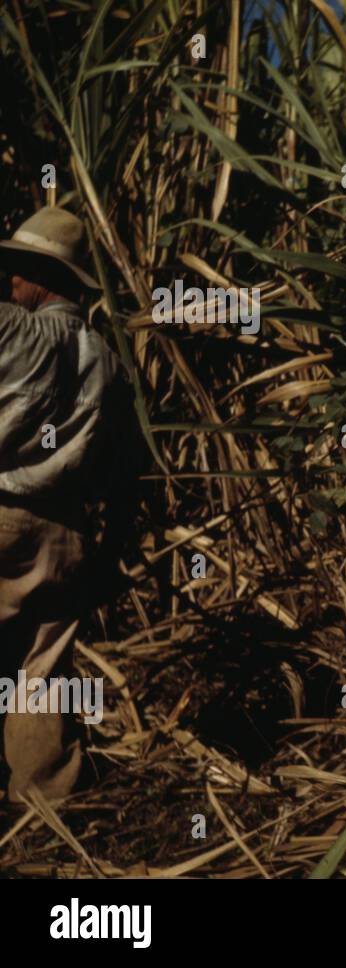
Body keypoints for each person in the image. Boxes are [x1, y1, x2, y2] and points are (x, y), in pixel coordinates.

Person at [0, 205, 128, 805]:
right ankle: (44, 804)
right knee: (42, 670)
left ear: (40, 275)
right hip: (62, 531)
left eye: (17, 271)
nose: (10, 282)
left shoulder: (14, 331)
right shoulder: (105, 355)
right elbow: (115, 465)